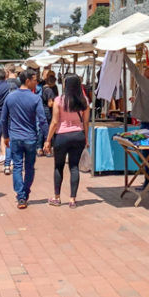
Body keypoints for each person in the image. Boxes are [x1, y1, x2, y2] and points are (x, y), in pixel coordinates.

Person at [1, 68, 47, 209]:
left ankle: (21, 196)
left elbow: (4, 119)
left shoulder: (10, 97)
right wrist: (47, 139)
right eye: (34, 79)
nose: (36, 82)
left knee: (17, 167)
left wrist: (6, 136)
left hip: (15, 137)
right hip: (30, 138)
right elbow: (42, 120)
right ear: (27, 80)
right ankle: (25, 193)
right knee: (29, 167)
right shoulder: (35, 98)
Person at [44, 74, 90, 208]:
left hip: (62, 136)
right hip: (78, 135)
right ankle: (72, 199)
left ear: (66, 85)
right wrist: (86, 138)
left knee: (58, 166)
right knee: (74, 166)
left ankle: (57, 197)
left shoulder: (59, 100)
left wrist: (48, 140)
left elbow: (54, 121)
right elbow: (86, 122)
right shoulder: (84, 101)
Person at [128, 62, 149, 129]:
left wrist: (124, 56)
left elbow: (135, 71)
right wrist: (136, 99)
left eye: (148, 69)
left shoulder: (147, 83)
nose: (145, 69)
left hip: (148, 122)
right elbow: (148, 100)